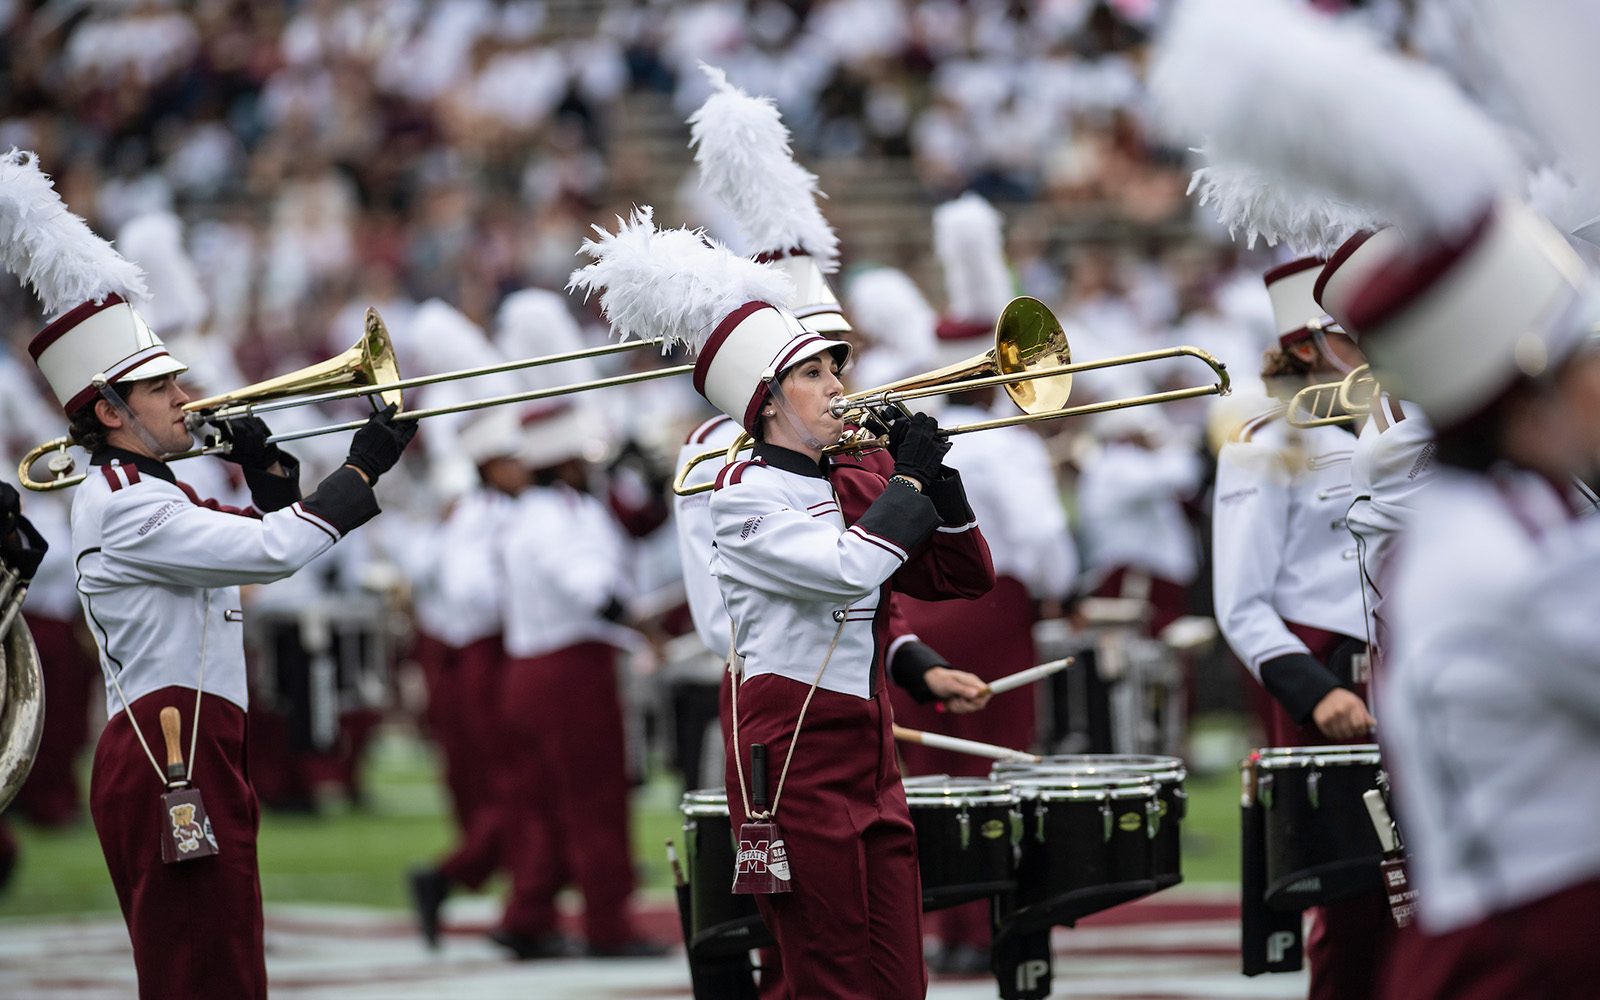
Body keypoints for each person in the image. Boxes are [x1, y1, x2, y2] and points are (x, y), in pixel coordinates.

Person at [30, 301, 414, 999]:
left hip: (195, 736)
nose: (186, 399)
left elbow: (252, 532)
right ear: (111, 411)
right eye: (161, 390)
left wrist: (266, 465)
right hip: (171, 746)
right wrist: (363, 467)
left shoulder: (152, 491)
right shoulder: (126, 502)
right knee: (203, 970)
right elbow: (273, 551)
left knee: (224, 957)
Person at [1348, 199, 1600, 1000]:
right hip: (1528, 957)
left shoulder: (1509, 514)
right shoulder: (1509, 557)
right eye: (1585, 362)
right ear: (1528, 397)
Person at [1212, 257, 1392, 1000]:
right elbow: (1241, 600)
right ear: (1313, 343)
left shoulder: (1407, 418)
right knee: (1352, 900)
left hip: (1413, 671)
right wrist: (1315, 693)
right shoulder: (1263, 437)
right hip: (1326, 679)